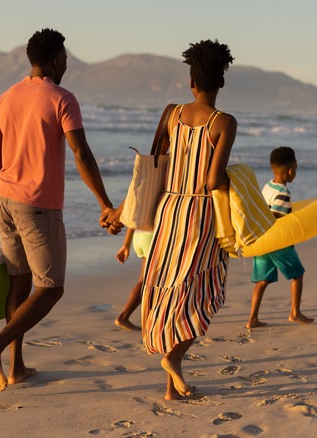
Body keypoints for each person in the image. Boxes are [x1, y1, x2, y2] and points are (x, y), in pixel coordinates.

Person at [0, 28, 122, 392]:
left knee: (20, 283)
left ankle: (17, 368)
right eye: (66, 58)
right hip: (37, 206)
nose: (68, 64)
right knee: (51, 287)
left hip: (4, 201)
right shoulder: (62, 98)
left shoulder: (5, 97)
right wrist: (105, 203)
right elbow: (81, 153)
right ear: (56, 60)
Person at [139, 40, 237, 400]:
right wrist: (239, 183)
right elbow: (214, 180)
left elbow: (155, 161)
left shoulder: (171, 113)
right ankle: (175, 358)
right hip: (200, 214)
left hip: (169, 210)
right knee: (200, 294)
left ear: (191, 82)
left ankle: (171, 390)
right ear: (220, 84)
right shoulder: (223, 122)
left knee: (170, 290)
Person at [247, 146, 314, 328]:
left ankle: (252, 319)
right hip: (277, 242)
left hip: (261, 241)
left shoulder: (268, 186)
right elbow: (277, 220)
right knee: (297, 274)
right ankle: (294, 312)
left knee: (262, 281)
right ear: (291, 170)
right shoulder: (284, 193)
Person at [113, 228, 153, 331]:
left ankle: (126, 317)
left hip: (139, 236)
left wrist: (126, 245)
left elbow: (133, 219)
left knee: (144, 280)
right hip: (153, 237)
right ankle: (124, 317)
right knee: (150, 282)